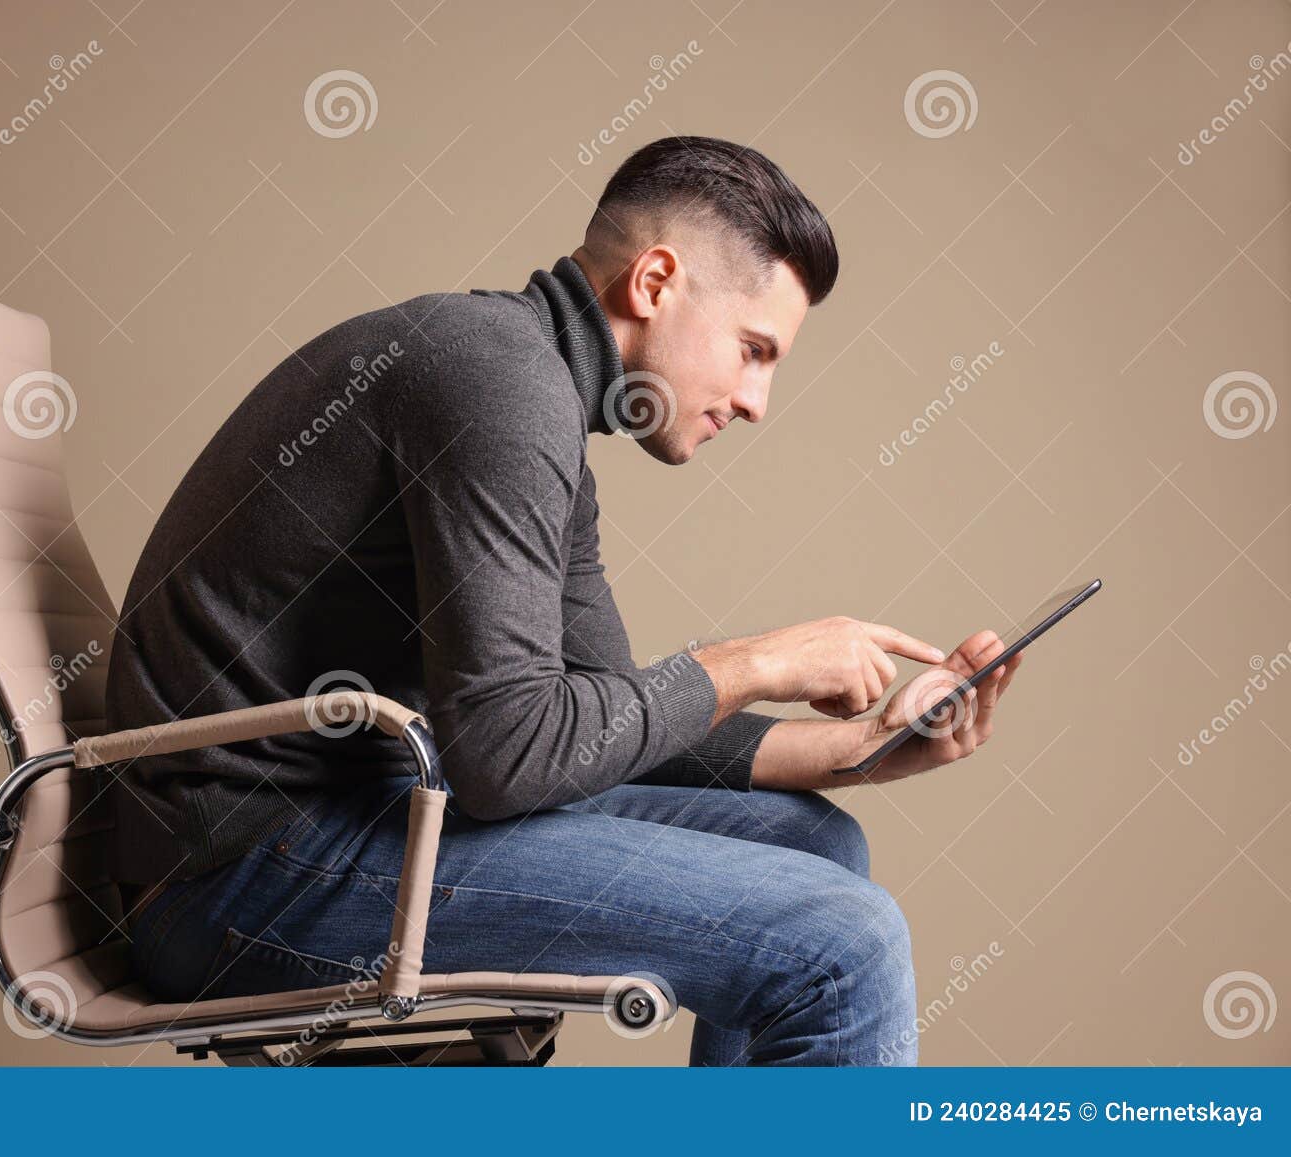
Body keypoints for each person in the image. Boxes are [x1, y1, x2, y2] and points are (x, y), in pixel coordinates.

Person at [102, 135, 1021, 1065]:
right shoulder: (496, 385)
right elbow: (507, 756)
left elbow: (602, 720)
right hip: (239, 882)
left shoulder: (526, 393)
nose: (757, 401)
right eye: (752, 350)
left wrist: (860, 749)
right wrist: (757, 662)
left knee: (813, 848)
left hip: (344, 822)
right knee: (844, 943)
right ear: (655, 283)